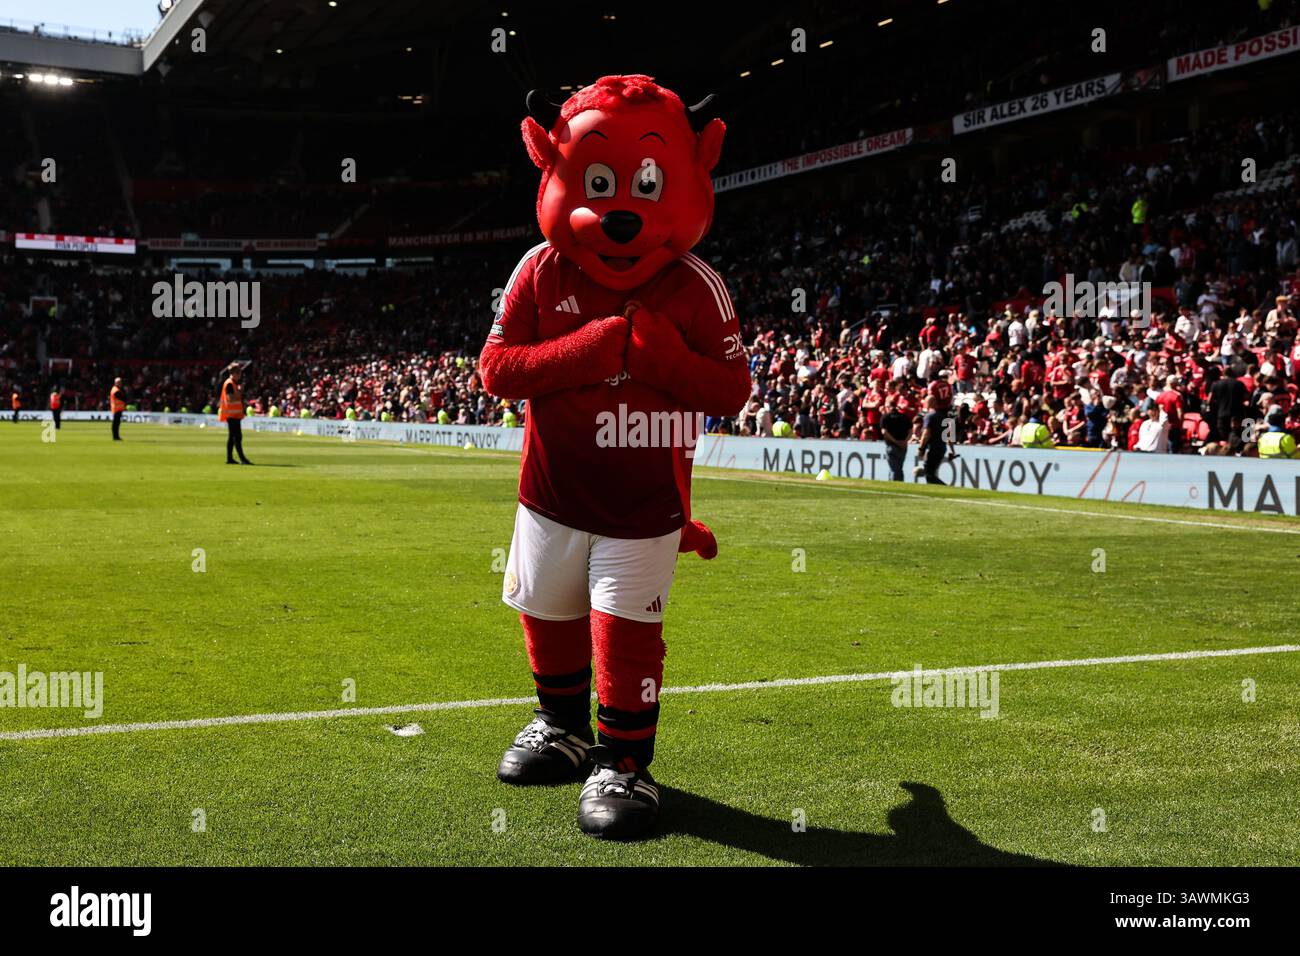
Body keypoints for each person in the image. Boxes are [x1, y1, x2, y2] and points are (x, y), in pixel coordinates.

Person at [219, 364, 252, 465]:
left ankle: (230, 458)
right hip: (232, 415)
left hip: (234, 415)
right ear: (233, 373)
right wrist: (240, 391)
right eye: (239, 373)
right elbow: (230, 398)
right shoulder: (229, 384)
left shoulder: (232, 383)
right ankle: (242, 459)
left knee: (233, 437)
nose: (240, 375)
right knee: (237, 437)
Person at [913, 395, 949, 484]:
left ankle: (945, 489)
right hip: (942, 446)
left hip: (933, 447)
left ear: (928, 403)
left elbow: (926, 434)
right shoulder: (942, 416)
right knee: (930, 472)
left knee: (929, 474)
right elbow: (948, 433)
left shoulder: (929, 416)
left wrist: (921, 448)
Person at [880, 396, 912, 481]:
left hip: (892, 446)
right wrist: (905, 441)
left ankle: (895, 485)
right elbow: (910, 431)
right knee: (899, 468)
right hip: (903, 446)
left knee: (894, 469)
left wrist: (895, 441)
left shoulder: (886, 417)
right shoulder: (904, 417)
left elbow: (884, 432)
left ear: (888, 407)